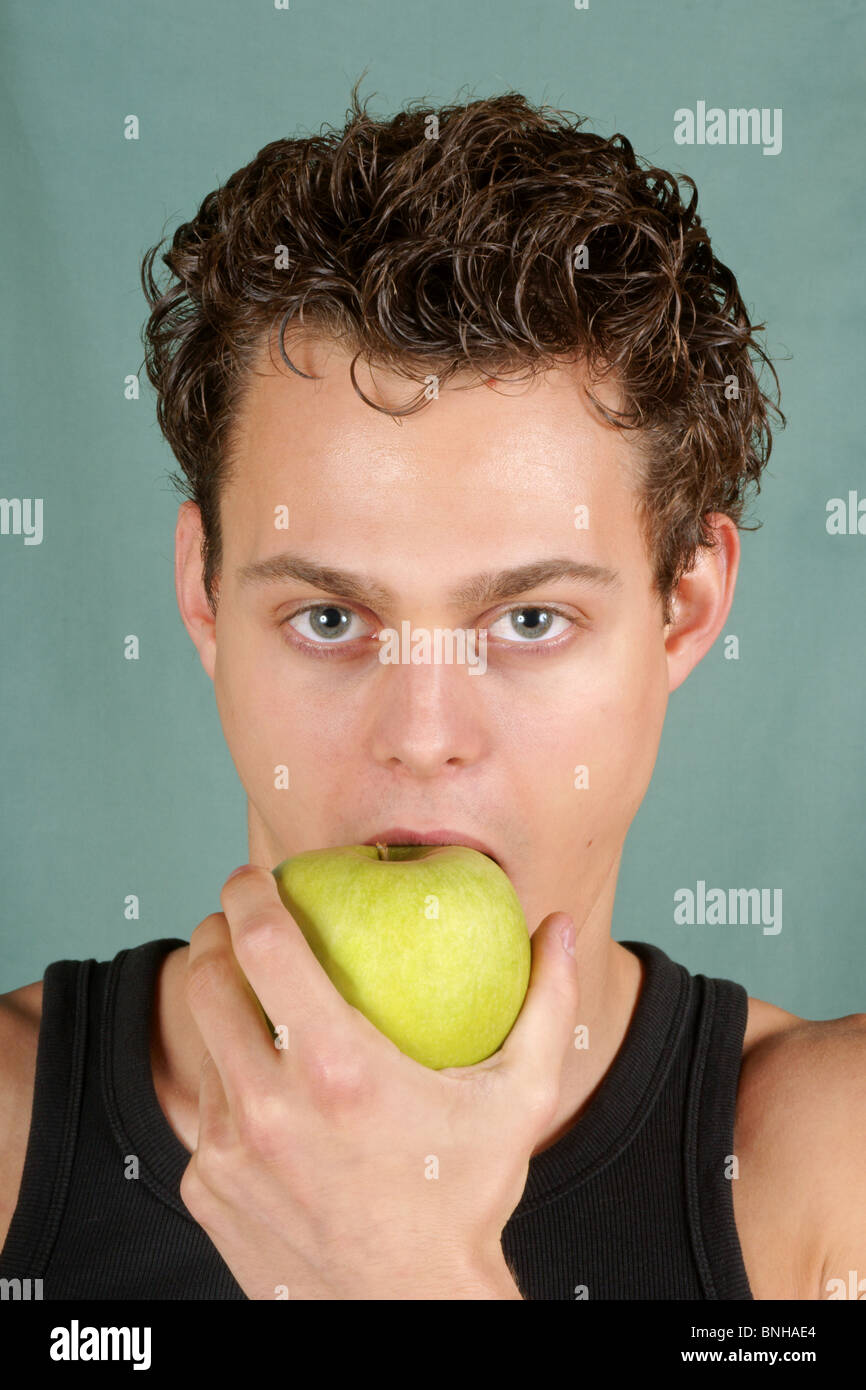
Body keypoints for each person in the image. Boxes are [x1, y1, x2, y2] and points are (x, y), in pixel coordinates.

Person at [1, 84, 863, 1301]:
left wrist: (401, 1276)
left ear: (684, 603)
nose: (420, 738)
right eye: (330, 618)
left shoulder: (830, 1168)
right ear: (202, 591)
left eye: (525, 621)